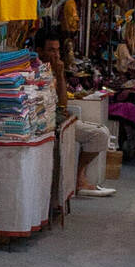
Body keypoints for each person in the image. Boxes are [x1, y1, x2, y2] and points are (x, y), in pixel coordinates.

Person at [40, 30, 115, 199]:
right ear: (40, 51)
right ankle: (79, 180)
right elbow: (62, 104)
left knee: (101, 133)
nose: (56, 54)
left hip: (59, 118)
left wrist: (59, 74)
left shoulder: (54, 70)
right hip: (48, 122)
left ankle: (80, 177)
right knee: (98, 134)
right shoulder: (36, 72)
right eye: (51, 50)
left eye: (58, 50)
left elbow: (63, 103)